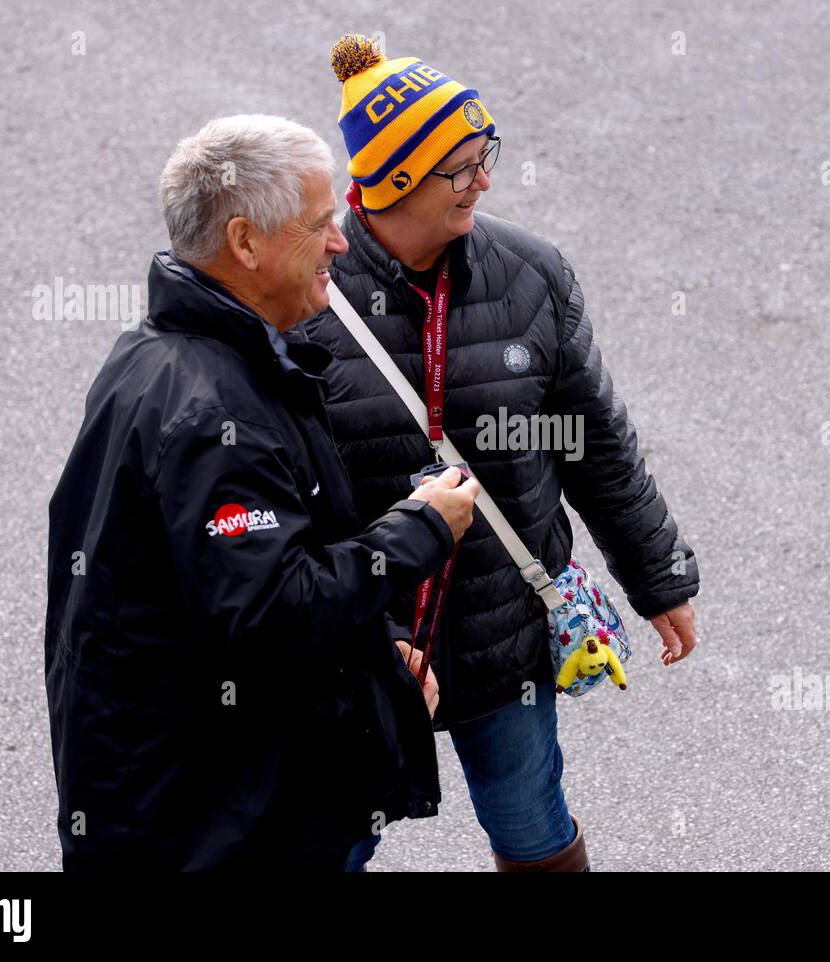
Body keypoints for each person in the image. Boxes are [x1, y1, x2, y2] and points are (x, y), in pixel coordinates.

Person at [298, 36, 701, 871]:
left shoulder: (532, 276)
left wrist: (657, 576)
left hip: (501, 629)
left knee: (532, 830)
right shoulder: (303, 301)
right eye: (464, 166)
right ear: (398, 179)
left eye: (488, 156)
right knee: (327, 845)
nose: (487, 179)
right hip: (366, 641)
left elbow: (593, 443)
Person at [44, 114, 480, 871]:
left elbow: (247, 573)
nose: (342, 244)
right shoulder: (213, 416)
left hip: (202, 795)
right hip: (215, 827)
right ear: (245, 242)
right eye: (320, 226)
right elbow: (275, 611)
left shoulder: (171, 359)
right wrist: (422, 528)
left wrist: (379, 645)